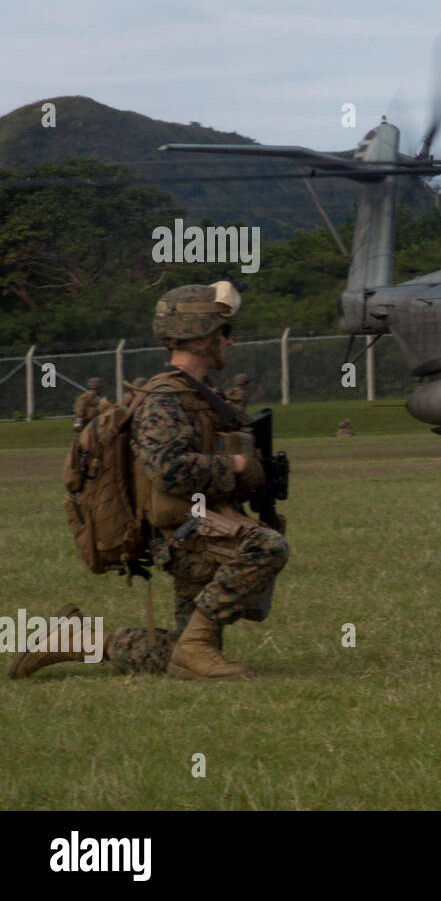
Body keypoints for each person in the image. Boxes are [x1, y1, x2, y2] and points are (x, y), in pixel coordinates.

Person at [10, 281, 289, 681]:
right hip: (185, 534)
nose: (231, 341)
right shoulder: (164, 399)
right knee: (266, 547)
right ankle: (196, 647)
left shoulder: (200, 394)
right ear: (201, 337)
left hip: (196, 526)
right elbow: (169, 470)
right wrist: (239, 464)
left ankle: (77, 641)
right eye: (225, 333)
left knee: (176, 651)